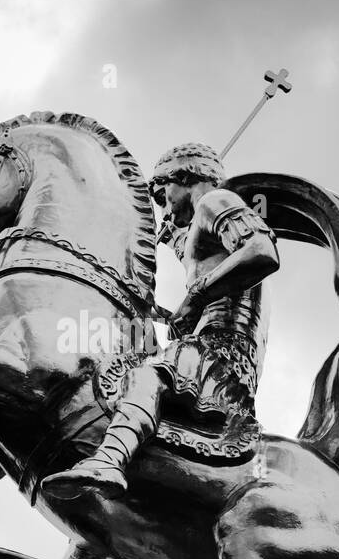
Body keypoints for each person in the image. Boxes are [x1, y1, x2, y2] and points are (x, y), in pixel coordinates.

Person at [41, 142, 279, 501]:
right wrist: (177, 312)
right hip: (212, 345)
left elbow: (262, 252)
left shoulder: (216, 202)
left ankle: (108, 462)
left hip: (221, 352)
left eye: (162, 194)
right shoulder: (203, 220)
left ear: (184, 176)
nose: (165, 208)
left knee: (145, 375)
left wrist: (195, 296)